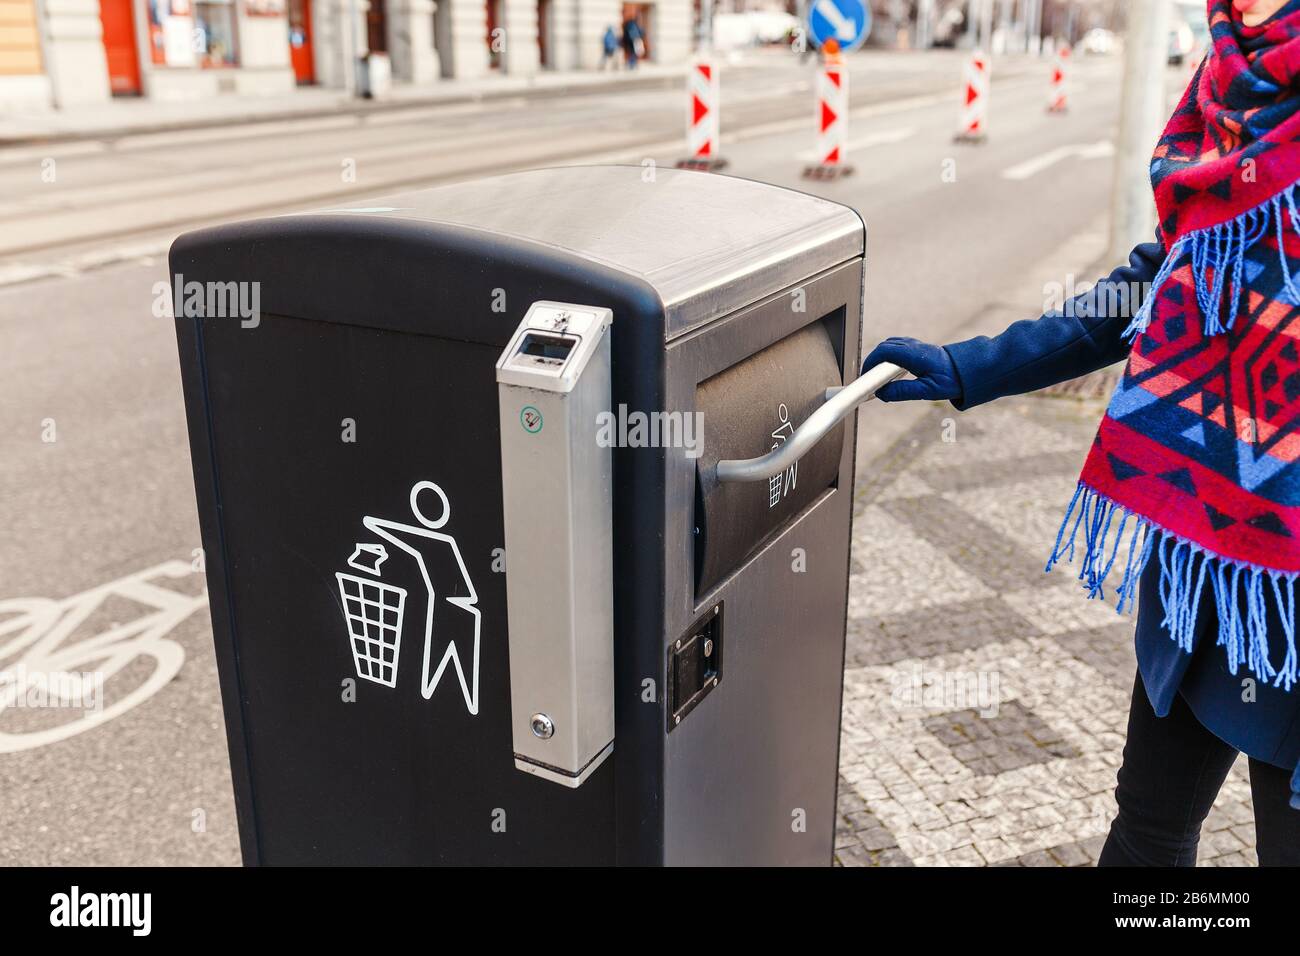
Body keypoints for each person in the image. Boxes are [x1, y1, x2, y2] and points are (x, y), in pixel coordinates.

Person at [865, 0, 1300, 866]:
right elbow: (1151, 286)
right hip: (1202, 551)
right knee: (1148, 826)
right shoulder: (1223, 89)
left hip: (1290, 576)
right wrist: (976, 366)